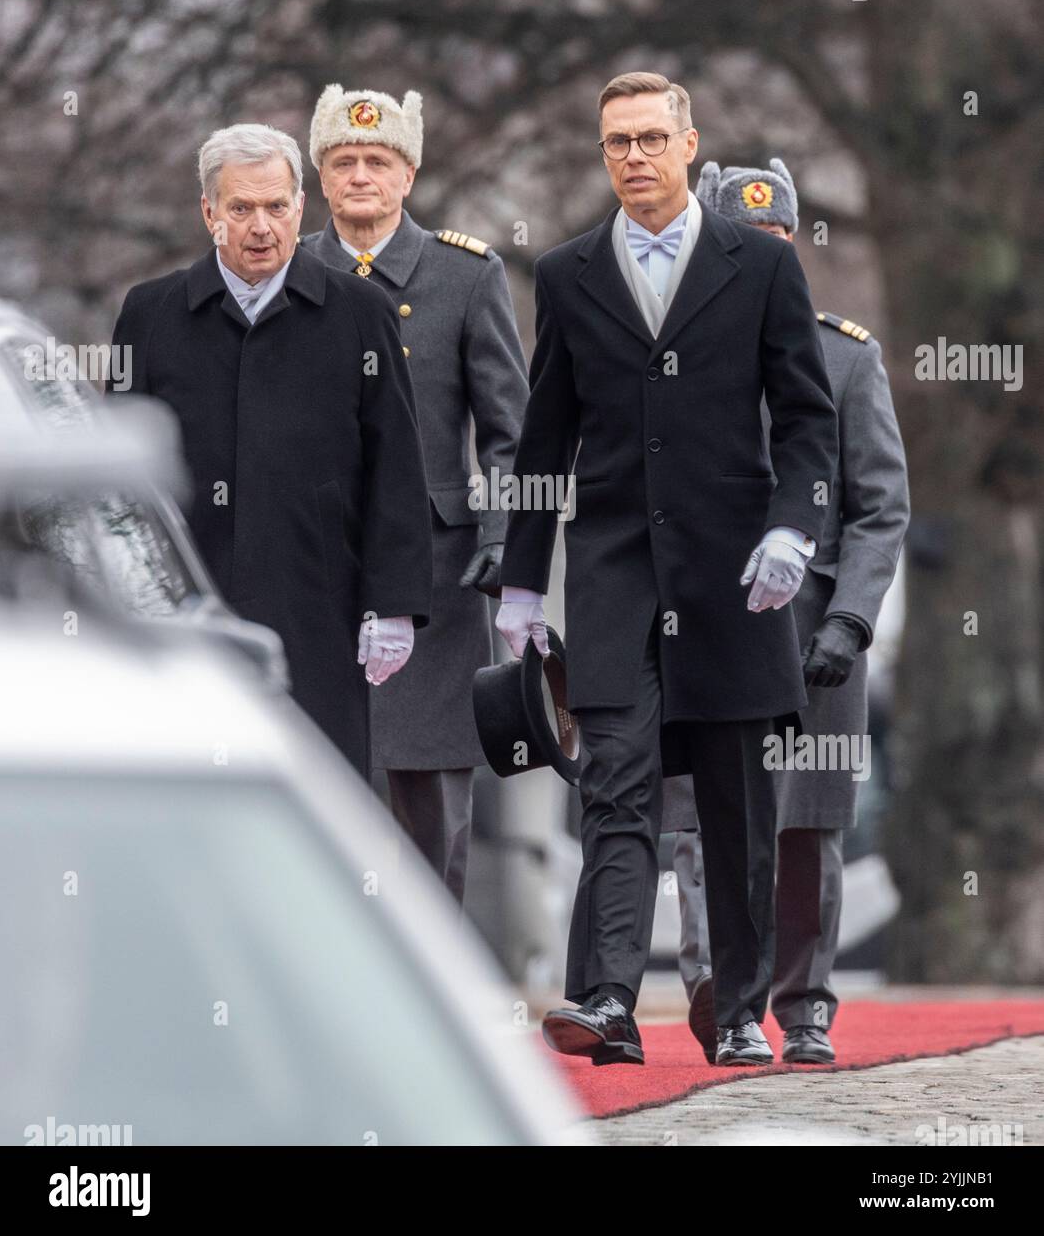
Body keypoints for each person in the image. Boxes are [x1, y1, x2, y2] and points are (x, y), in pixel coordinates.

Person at [496, 72, 838, 1066]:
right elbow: (545, 433)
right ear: (601, 154)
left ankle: (736, 1010)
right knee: (616, 784)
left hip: (735, 577)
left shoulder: (762, 268)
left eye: (651, 137)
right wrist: (522, 580)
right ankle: (605, 998)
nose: (634, 156)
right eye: (616, 142)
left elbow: (811, 422)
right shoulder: (566, 273)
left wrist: (792, 530)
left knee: (735, 801)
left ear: (690, 145)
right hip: (611, 573)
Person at [665, 157, 910, 1063]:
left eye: (779, 237)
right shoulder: (674, 355)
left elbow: (880, 506)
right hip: (704, 626)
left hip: (813, 636)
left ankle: (803, 1004)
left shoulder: (845, 356)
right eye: (744, 238)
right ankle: (717, 991)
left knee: (807, 825)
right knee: (703, 821)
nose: (765, 253)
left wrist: (849, 620)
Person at [110, 123, 432, 779]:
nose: (261, 226)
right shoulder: (150, 314)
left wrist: (392, 602)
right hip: (186, 618)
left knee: (317, 801)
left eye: (276, 206)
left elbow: (395, 463)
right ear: (209, 213)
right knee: (188, 798)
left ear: (299, 207)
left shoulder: (360, 311)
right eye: (241, 208)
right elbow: (119, 480)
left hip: (319, 610)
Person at [303, 86, 528, 902]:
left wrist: (506, 546)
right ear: (321, 176)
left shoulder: (465, 276)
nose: (361, 175)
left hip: (439, 573)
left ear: (409, 174)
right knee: (321, 791)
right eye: (343, 161)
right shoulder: (289, 272)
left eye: (378, 161)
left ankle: (432, 1000)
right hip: (319, 567)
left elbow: (511, 432)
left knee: (431, 803)